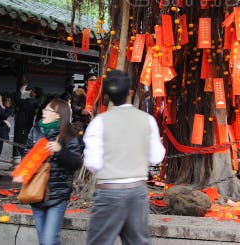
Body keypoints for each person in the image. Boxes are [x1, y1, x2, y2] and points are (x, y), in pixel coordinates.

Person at [83, 70, 165, 245]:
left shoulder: (99, 122)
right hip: (138, 192)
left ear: (106, 95)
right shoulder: (147, 120)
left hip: (109, 191)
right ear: (130, 92)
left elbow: (92, 163)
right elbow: (157, 157)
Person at [18, 98, 83, 245]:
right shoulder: (36, 129)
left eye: (48, 110)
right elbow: (26, 156)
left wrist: (60, 151)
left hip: (58, 196)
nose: (43, 112)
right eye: (44, 109)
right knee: (45, 241)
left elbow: (76, 163)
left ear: (58, 115)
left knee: (48, 241)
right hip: (36, 193)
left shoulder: (69, 134)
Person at [13, 84, 39, 164]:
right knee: (21, 144)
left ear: (35, 94)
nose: (30, 92)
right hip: (25, 126)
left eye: (32, 91)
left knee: (21, 145)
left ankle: (24, 164)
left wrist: (20, 91)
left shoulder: (31, 101)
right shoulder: (33, 101)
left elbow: (17, 101)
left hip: (23, 126)